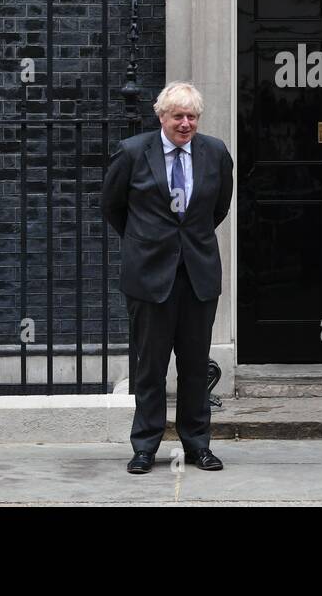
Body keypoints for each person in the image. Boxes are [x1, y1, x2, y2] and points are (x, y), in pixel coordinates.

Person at [101, 81, 234, 474]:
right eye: (179, 116)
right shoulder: (132, 152)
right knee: (150, 367)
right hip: (149, 276)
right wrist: (147, 240)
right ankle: (145, 447)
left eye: (192, 116)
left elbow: (218, 207)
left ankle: (197, 445)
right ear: (162, 117)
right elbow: (112, 206)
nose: (186, 123)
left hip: (197, 275)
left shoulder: (215, 153)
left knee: (194, 367)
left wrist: (186, 241)